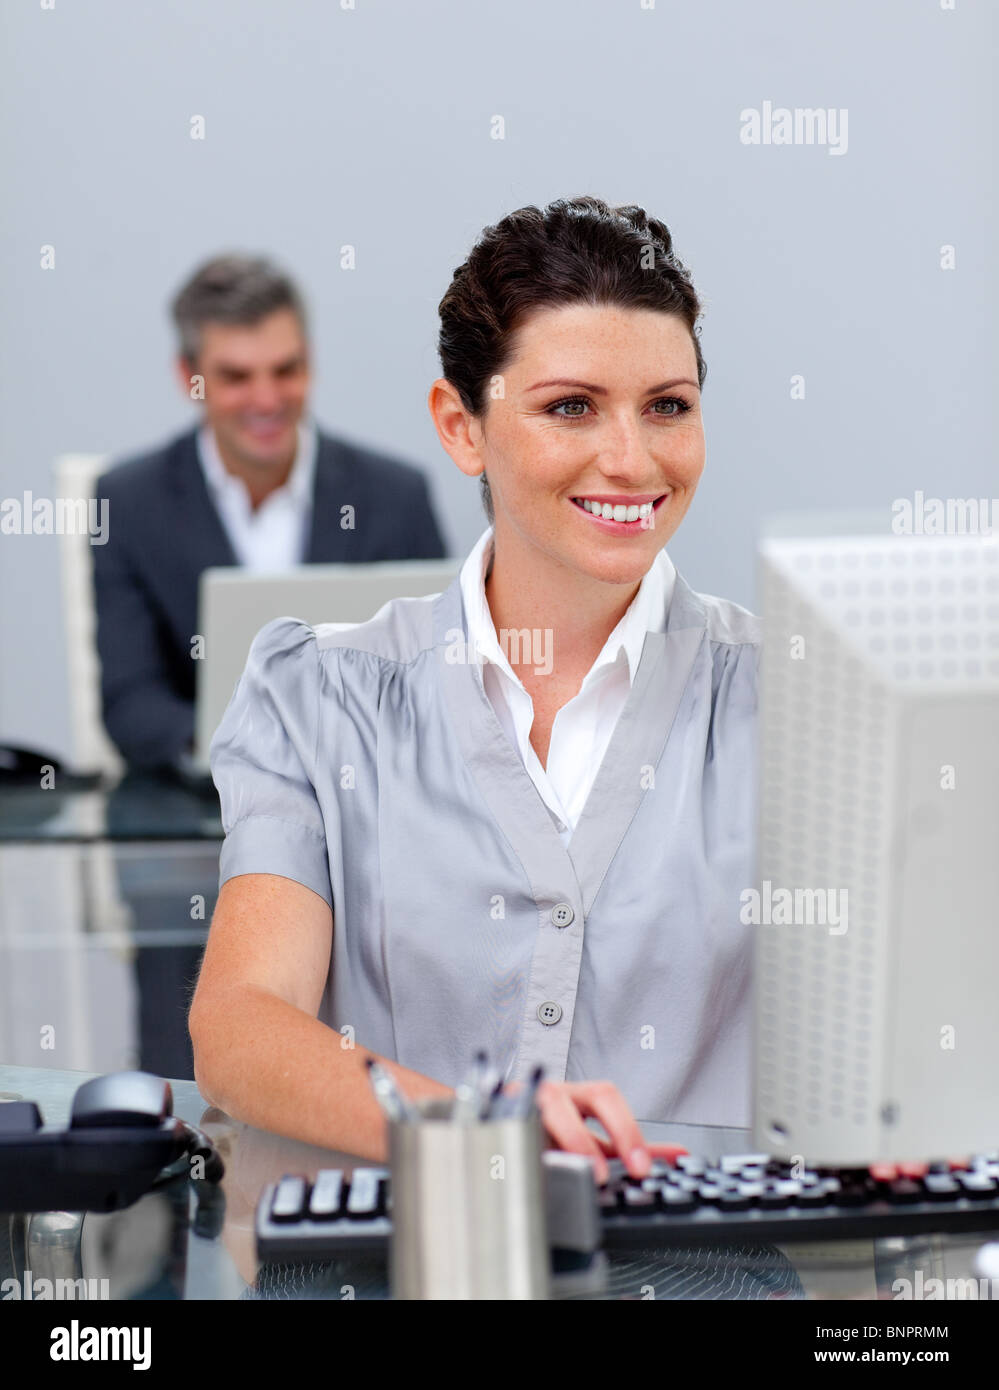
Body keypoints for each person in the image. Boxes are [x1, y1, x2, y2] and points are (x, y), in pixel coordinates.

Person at [189, 197, 760, 1182]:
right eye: (571, 406)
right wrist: (482, 1135)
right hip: (405, 1270)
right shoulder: (320, 696)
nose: (631, 458)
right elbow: (241, 1027)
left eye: (667, 404)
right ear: (462, 427)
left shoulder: (799, 704)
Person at [93, 254, 447, 772]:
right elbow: (130, 702)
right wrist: (249, 752)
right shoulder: (128, 502)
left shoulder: (396, 496)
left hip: (363, 793)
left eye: (286, 371)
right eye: (237, 377)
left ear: (311, 361)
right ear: (188, 377)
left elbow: (430, 679)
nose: (266, 400)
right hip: (204, 805)